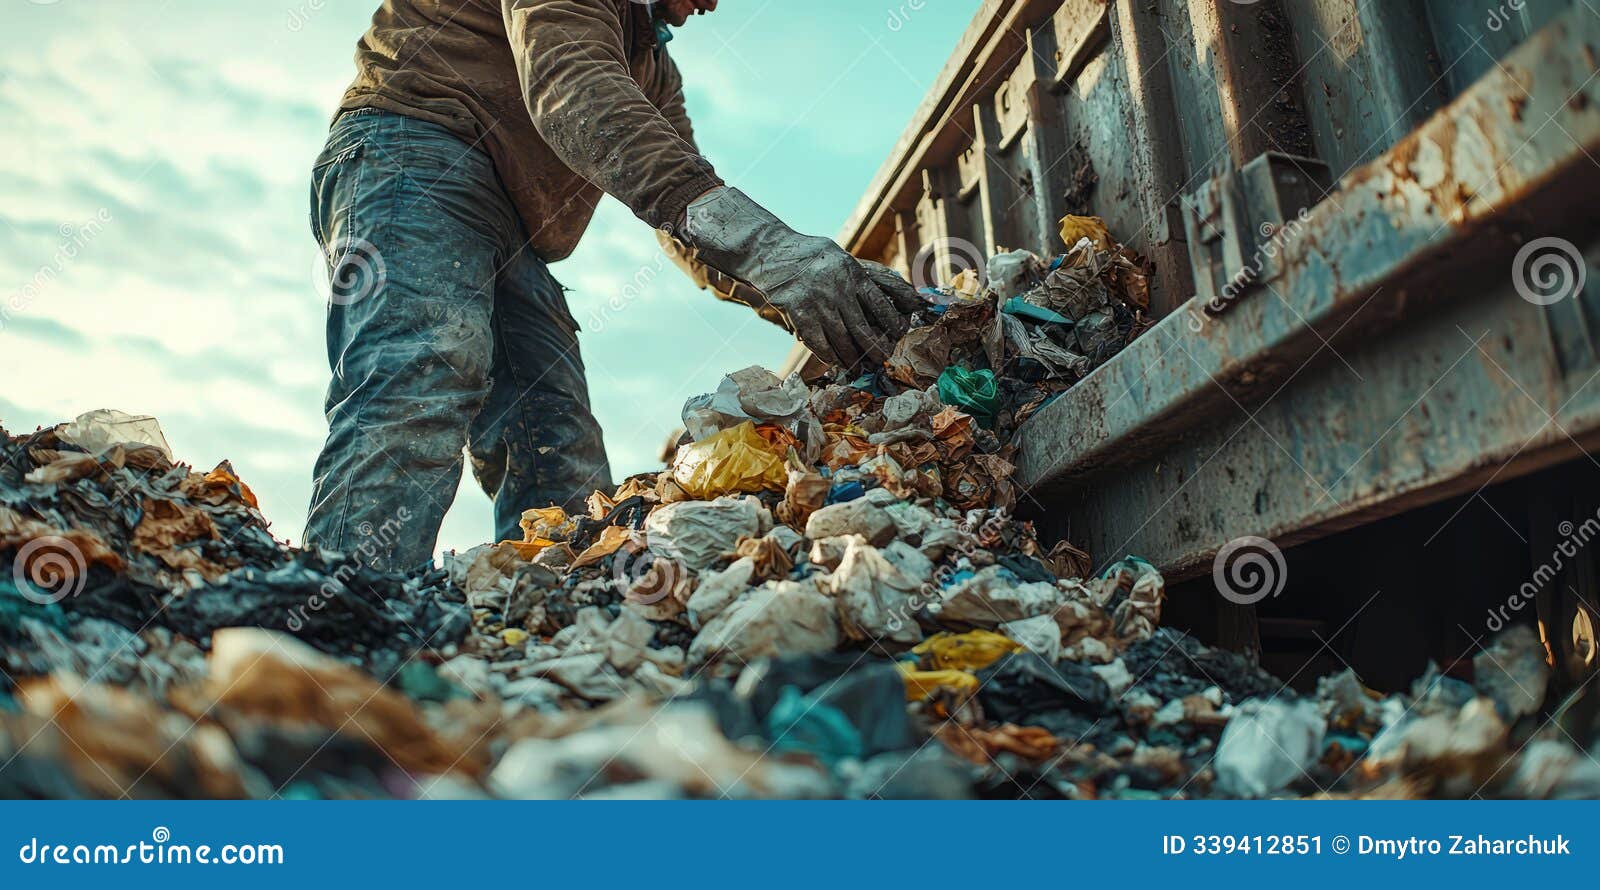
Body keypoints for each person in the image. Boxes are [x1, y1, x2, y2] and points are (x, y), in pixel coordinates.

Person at [303, 0, 920, 571]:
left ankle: (543, 644)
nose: (712, 4)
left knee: (557, 443)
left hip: (511, 228)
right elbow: (571, 85)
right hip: (412, 156)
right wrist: (767, 246)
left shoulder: (650, 60)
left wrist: (793, 281)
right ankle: (341, 613)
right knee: (423, 376)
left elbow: (685, 211)